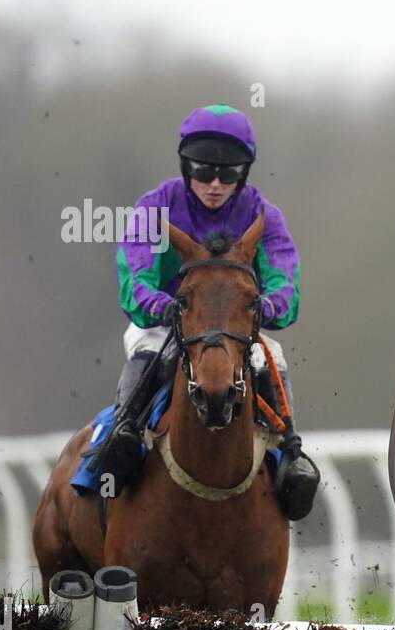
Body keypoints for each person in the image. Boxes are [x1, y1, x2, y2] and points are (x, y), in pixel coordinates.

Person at [90, 103, 317, 518]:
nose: (214, 184)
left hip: (234, 325)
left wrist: (266, 307)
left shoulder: (264, 215)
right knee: (145, 355)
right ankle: (122, 434)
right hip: (164, 322)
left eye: (227, 174)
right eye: (202, 171)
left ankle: (289, 452)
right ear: (185, 167)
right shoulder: (154, 205)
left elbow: (285, 279)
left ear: (243, 173)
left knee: (273, 356)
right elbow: (134, 274)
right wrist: (162, 305)